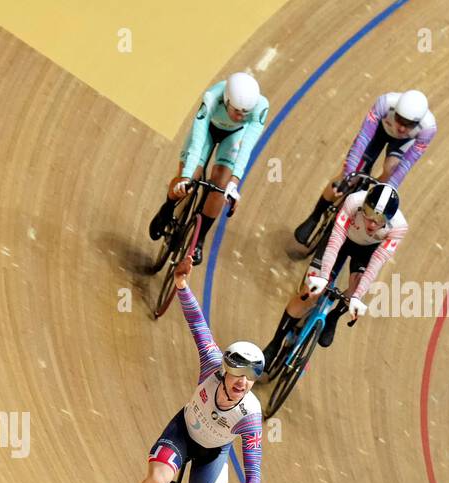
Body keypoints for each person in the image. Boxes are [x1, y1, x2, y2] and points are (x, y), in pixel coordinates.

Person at [118, 256, 261, 483]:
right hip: (183, 434)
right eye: (238, 372)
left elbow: (253, 471)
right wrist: (181, 285)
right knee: (157, 481)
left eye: (251, 375)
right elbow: (198, 323)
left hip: (212, 456)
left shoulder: (250, 414)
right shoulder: (211, 365)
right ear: (225, 368)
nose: (243, 381)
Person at [265, 182, 407, 365]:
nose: (371, 223)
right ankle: (274, 345)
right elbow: (335, 240)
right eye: (369, 214)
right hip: (341, 240)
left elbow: (376, 263)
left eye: (379, 220)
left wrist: (357, 296)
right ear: (363, 205)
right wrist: (324, 277)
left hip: (365, 251)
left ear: (389, 219)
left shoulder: (398, 227)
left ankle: (334, 315)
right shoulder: (353, 201)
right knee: (309, 293)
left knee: (356, 287)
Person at [148, 72, 269, 265]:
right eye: (237, 111)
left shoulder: (260, 108)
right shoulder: (212, 98)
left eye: (245, 113)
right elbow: (197, 142)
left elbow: (246, 148)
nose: (240, 116)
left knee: (221, 185)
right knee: (190, 176)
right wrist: (187, 177)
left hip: (234, 136)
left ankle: (199, 239)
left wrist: (234, 183)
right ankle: (167, 208)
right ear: (226, 99)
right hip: (207, 132)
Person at [293, 89, 434, 245]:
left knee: (392, 168)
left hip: (401, 144)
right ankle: (314, 216)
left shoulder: (428, 129)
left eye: (409, 125)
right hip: (378, 132)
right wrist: (348, 175)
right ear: (396, 112)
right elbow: (363, 139)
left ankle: (369, 191)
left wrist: (384, 193)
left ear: (418, 122)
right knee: (351, 174)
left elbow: (406, 165)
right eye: (400, 120)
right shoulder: (385, 103)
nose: (401, 128)